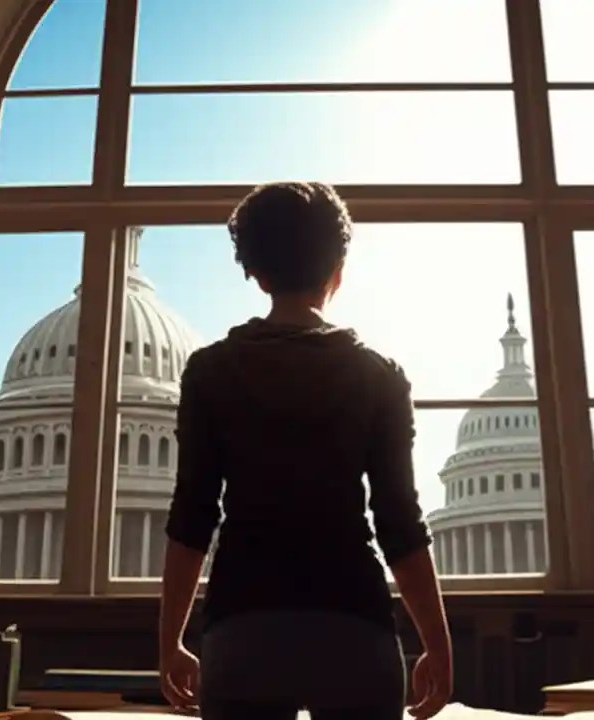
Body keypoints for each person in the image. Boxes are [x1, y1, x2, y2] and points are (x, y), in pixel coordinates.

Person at [157, 181, 453, 720]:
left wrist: (170, 639)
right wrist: (437, 641)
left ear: (256, 273)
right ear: (338, 269)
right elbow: (399, 522)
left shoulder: (209, 372)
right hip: (354, 623)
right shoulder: (379, 376)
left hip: (242, 623)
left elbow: (193, 515)